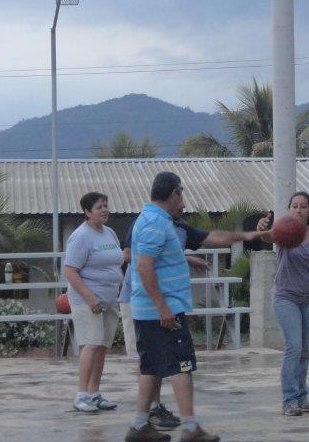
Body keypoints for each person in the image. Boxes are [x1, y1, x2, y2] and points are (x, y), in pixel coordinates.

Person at [125, 171, 266, 442]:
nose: (184, 201)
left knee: (151, 367)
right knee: (181, 366)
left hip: (152, 310)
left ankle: (139, 426)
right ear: (174, 193)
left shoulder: (161, 221)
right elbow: (143, 266)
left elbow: (213, 237)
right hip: (161, 311)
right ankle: (190, 428)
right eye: (182, 194)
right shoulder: (155, 223)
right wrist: (163, 307)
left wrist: (250, 234)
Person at [119, 219, 209, 431]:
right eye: (179, 198)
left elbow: (211, 236)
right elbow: (131, 257)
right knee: (152, 361)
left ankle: (146, 419)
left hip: (162, 303)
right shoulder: (146, 223)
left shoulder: (178, 226)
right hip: (142, 300)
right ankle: (157, 414)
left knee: (155, 362)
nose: (182, 205)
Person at [255, 191, 309, 416]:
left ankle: (302, 397)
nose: (299, 209)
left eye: (303, 206)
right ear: (289, 210)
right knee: (294, 347)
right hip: (285, 297)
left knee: (304, 350)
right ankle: (288, 400)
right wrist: (262, 229)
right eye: (295, 206)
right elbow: (267, 238)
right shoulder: (283, 231)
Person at [64, 191, 123, 413]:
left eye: (106, 205)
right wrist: (90, 298)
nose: (105, 210)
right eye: (99, 207)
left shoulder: (109, 233)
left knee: (102, 347)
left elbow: (118, 261)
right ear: (88, 212)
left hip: (109, 299)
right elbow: (70, 271)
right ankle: (81, 395)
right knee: (91, 343)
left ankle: (94, 393)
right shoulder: (81, 236)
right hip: (86, 300)